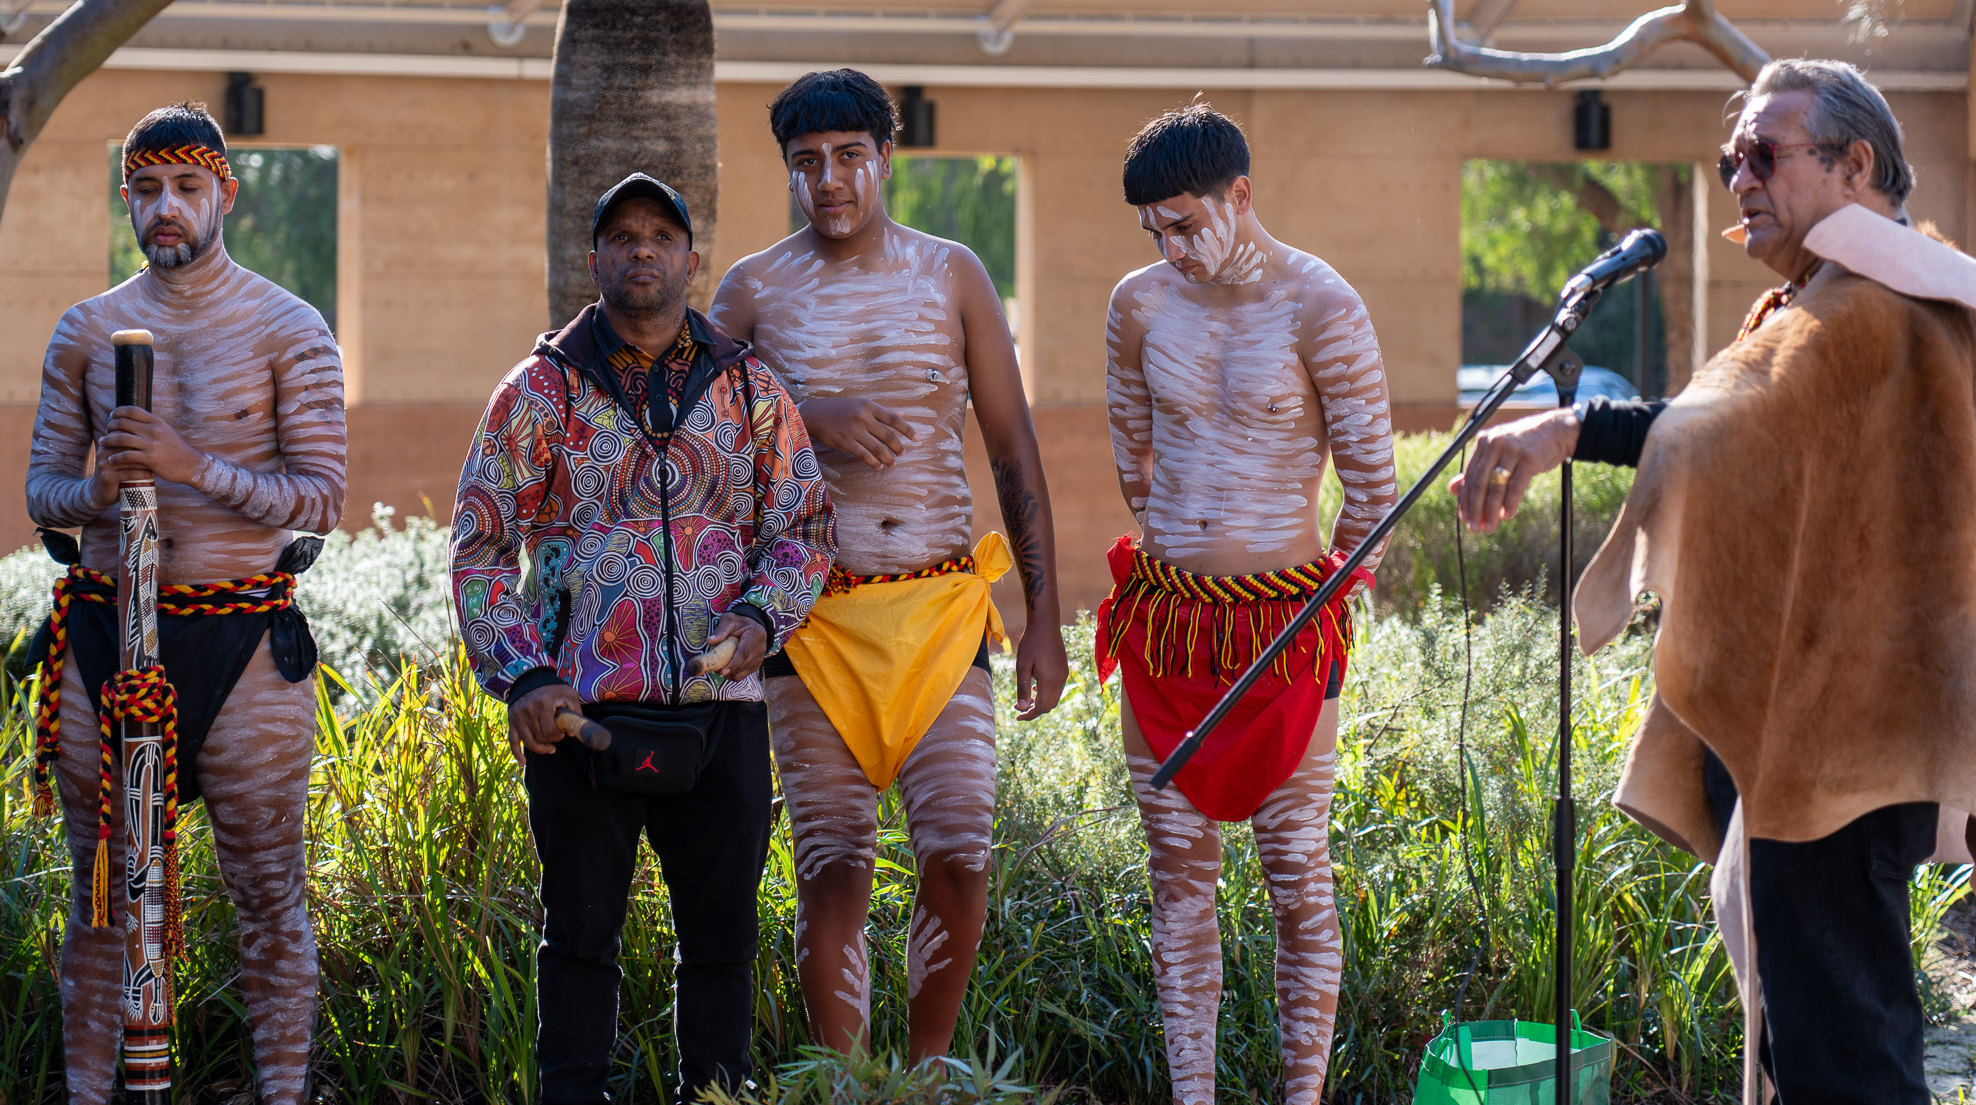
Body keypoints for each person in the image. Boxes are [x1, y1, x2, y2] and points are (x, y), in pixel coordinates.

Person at [1456, 59, 1976, 1105]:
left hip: (1846, 738)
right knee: (1811, 1034)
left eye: (1763, 153)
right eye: (1728, 156)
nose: (1737, 175)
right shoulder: (1832, 303)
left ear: (1854, 164)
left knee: (1843, 1054)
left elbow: (1726, 435)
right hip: (1819, 731)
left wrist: (1572, 425)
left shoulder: (1878, 306)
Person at [708, 68, 1069, 1063]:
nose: (827, 180)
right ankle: (844, 1087)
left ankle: (921, 1079)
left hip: (943, 612)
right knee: (831, 869)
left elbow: (1011, 448)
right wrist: (802, 417)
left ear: (884, 159)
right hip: (813, 622)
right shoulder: (751, 290)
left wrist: (1042, 614)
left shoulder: (949, 273)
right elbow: (689, 444)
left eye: (846, 158)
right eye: (805, 163)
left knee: (958, 857)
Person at [451, 173, 836, 1104]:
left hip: (722, 716)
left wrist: (759, 617)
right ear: (595, 261)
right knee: (578, 944)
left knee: (723, 949)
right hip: (582, 718)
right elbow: (479, 542)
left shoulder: (749, 387)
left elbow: (807, 526)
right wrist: (524, 676)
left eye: (661, 235)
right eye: (621, 236)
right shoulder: (538, 390)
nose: (642, 250)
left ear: (691, 258)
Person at [26, 102, 345, 1105]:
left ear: (225, 196)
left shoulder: (288, 325)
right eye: (148, 190)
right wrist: (105, 494)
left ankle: (280, 1093)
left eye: (188, 187)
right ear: (127, 198)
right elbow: (43, 493)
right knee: (97, 900)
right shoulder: (84, 330)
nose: (167, 209)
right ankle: (90, 1093)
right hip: (103, 639)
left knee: (266, 896)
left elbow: (321, 498)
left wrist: (186, 464)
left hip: (243, 639)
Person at [1097, 103, 1397, 1105]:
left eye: (1184, 223)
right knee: (1177, 880)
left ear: (1239, 196)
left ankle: (1298, 1098)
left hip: (1285, 633)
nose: (1170, 249)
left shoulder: (1320, 304)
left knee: (1294, 871)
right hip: (1170, 627)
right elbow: (1134, 463)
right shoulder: (1135, 306)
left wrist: (1313, 609)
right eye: (1154, 232)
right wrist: (1193, 551)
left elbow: (1372, 492)